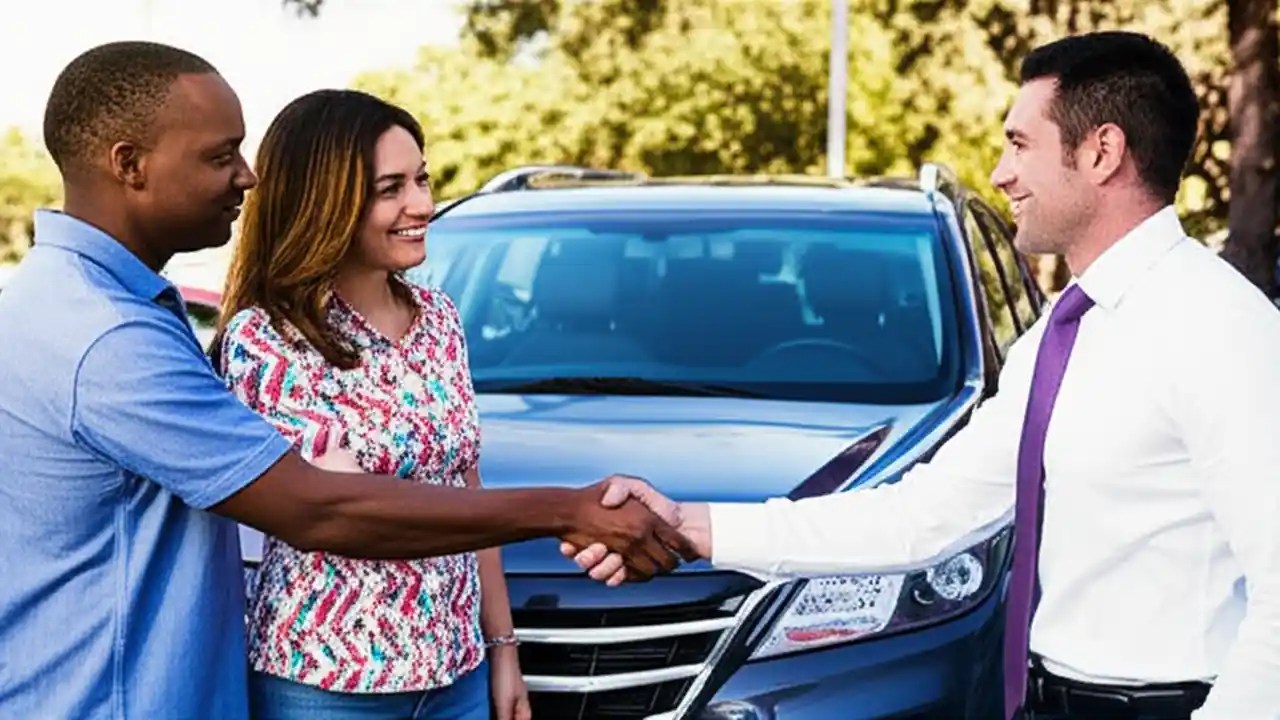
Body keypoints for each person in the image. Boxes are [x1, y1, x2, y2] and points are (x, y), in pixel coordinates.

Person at [568, 31, 1280, 720]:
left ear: (1102, 153)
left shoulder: (1220, 329)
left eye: (1020, 144)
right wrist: (687, 525)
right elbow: (921, 517)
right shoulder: (1064, 333)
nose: (1001, 173)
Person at [0, 41, 691, 720]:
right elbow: (321, 511)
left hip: (441, 668)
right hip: (196, 691)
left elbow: (447, 479)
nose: (246, 176)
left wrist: (498, 644)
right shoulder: (110, 335)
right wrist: (567, 508)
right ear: (130, 165)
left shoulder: (99, 303)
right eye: (220, 156)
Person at [211, 89, 527, 720]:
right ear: (326, 201)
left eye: (422, 179)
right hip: (325, 682)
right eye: (391, 189)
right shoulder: (267, 340)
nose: (423, 205)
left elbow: (468, 489)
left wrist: (503, 648)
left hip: (456, 671)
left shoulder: (439, 320)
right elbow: (343, 514)